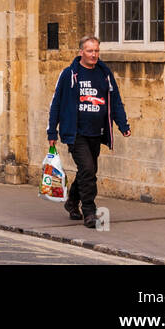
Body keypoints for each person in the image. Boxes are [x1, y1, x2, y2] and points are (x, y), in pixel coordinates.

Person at [47, 35, 131, 229]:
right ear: (81, 52)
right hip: (75, 132)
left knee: (88, 170)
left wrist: (123, 125)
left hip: (97, 132)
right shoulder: (69, 74)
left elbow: (115, 101)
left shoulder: (104, 74)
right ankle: (90, 212)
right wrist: (52, 132)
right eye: (90, 51)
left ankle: (71, 201)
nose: (94, 55)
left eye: (97, 51)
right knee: (88, 170)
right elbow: (56, 104)